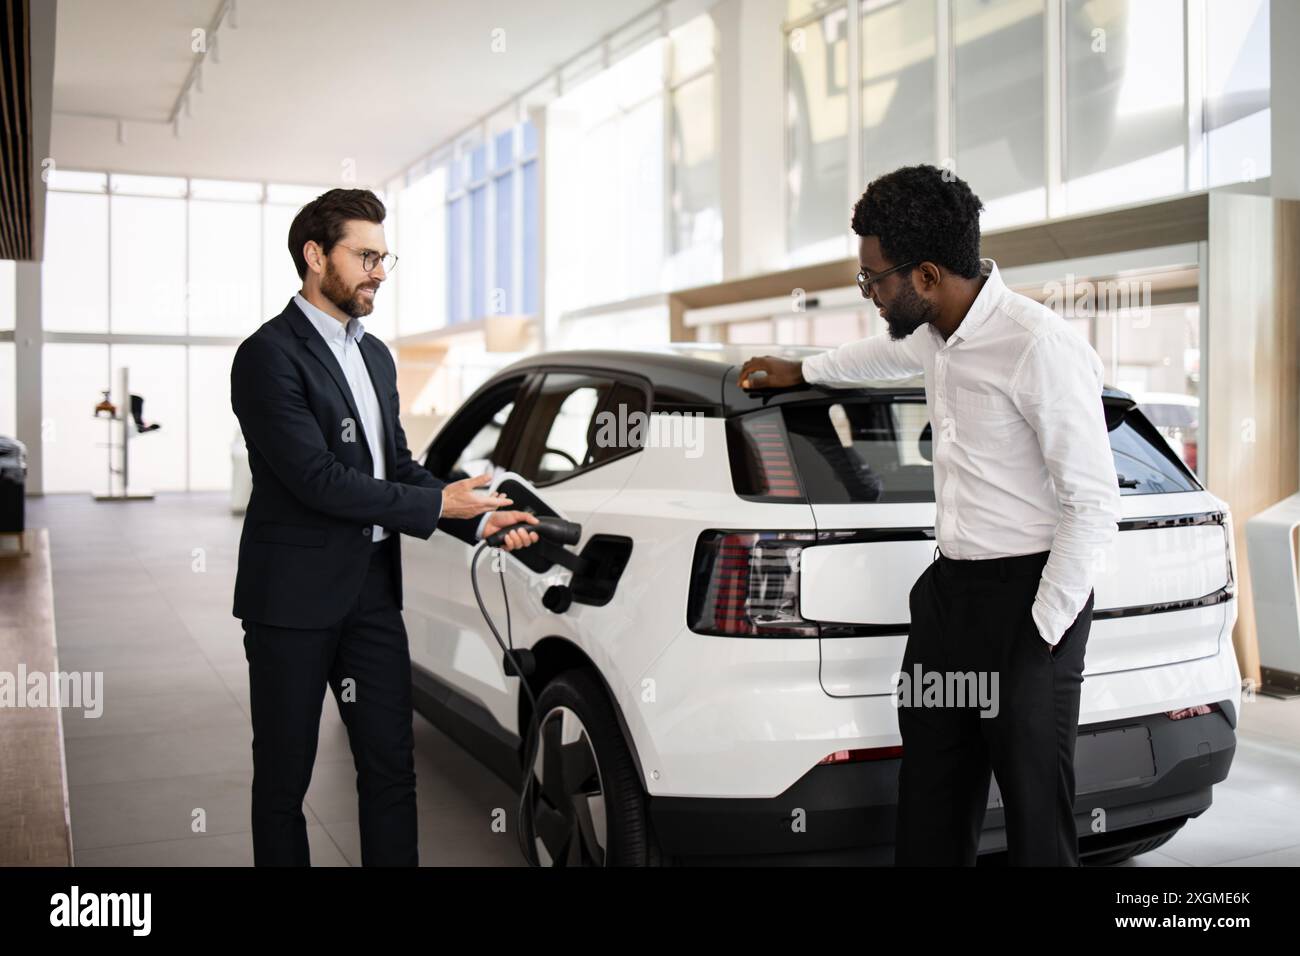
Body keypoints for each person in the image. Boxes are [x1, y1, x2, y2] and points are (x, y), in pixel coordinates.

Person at [738, 164, 1122, 866]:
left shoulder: (1038, 346)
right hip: (950, 600)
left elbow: (1093, 504)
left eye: (873, 280)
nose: (870, 294)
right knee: (932, 804)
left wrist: (1038, 633)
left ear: (925, 277)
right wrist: (802, 370)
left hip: (1029, 605)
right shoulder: (934, 333)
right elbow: (877, 359)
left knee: (1038, 823)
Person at [230, 188, 540, 866]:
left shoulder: (375, 358)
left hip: (371, 592)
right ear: (315, 256)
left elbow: (396, 466)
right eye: (364, 255)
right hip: (291, 600)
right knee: (285, 780)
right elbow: (315, 480)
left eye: (383, 256)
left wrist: (480, 517)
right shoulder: (267, 356)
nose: (378, 270)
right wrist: (438, 508)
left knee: (392, 769)